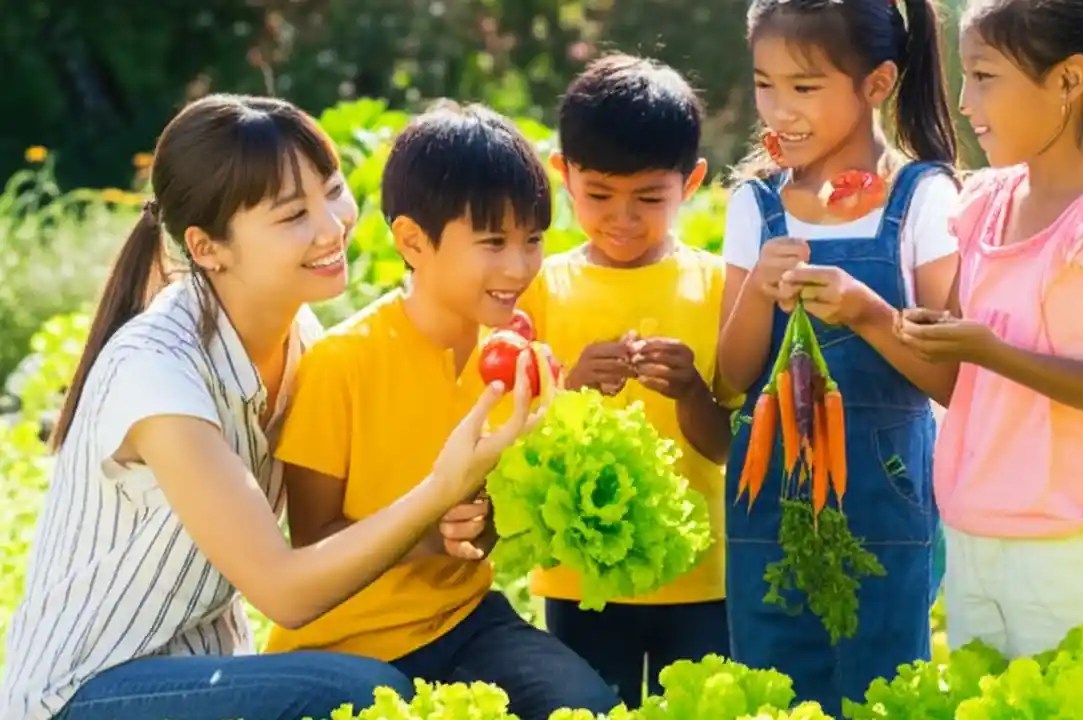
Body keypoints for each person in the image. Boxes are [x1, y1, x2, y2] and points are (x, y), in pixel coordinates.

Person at [0, 94, 544, 720]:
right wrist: (439, 489)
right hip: (82, 694)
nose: (332, 225)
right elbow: (283, 592)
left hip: (205, 668)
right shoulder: (157, 374)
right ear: (207, 248)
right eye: (292, 215)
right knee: (364, 697)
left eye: (333, 189)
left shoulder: (301, 337)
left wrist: (439, 530)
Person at [261, 100, 619, 720]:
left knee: (583, 704)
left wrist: (496, 525)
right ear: (412, 241)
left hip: (465, 619)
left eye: (532, 240)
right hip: (348, 644)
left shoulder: (518, 359)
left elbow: (501, 512)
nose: (519, 265)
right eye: (492, 242)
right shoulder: (343, 361)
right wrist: (428, 535)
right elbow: (311, 541)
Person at [893, 0, 1083, 659]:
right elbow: (957, 381)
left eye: (984, 76)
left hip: (1076, 551)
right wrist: (864, 312)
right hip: (977, 537)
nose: (966, 101)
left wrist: (995, 353)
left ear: (1069, 80)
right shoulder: (984, 206)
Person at [716, 0, 961, 712]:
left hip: (884, 502)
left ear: (877, 83)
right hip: (767, 505)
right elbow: (732, 378)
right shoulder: (753, 206)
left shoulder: (923, 199)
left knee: (880, 688)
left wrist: (868, 312)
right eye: (765, 83)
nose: (779, 108)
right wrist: (759, 292)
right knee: (772, 688)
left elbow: (948, 378)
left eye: (804, 86)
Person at [517, 54, 736, 707]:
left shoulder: (720, 286)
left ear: (692, 182)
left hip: (701, 576)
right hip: (580, 576)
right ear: (562, 175)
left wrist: (694, 390)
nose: (621, 218)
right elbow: (513, 440)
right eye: (598, 196)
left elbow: (729, 445)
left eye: (648, 198)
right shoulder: (541, 288)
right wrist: (572, 386)